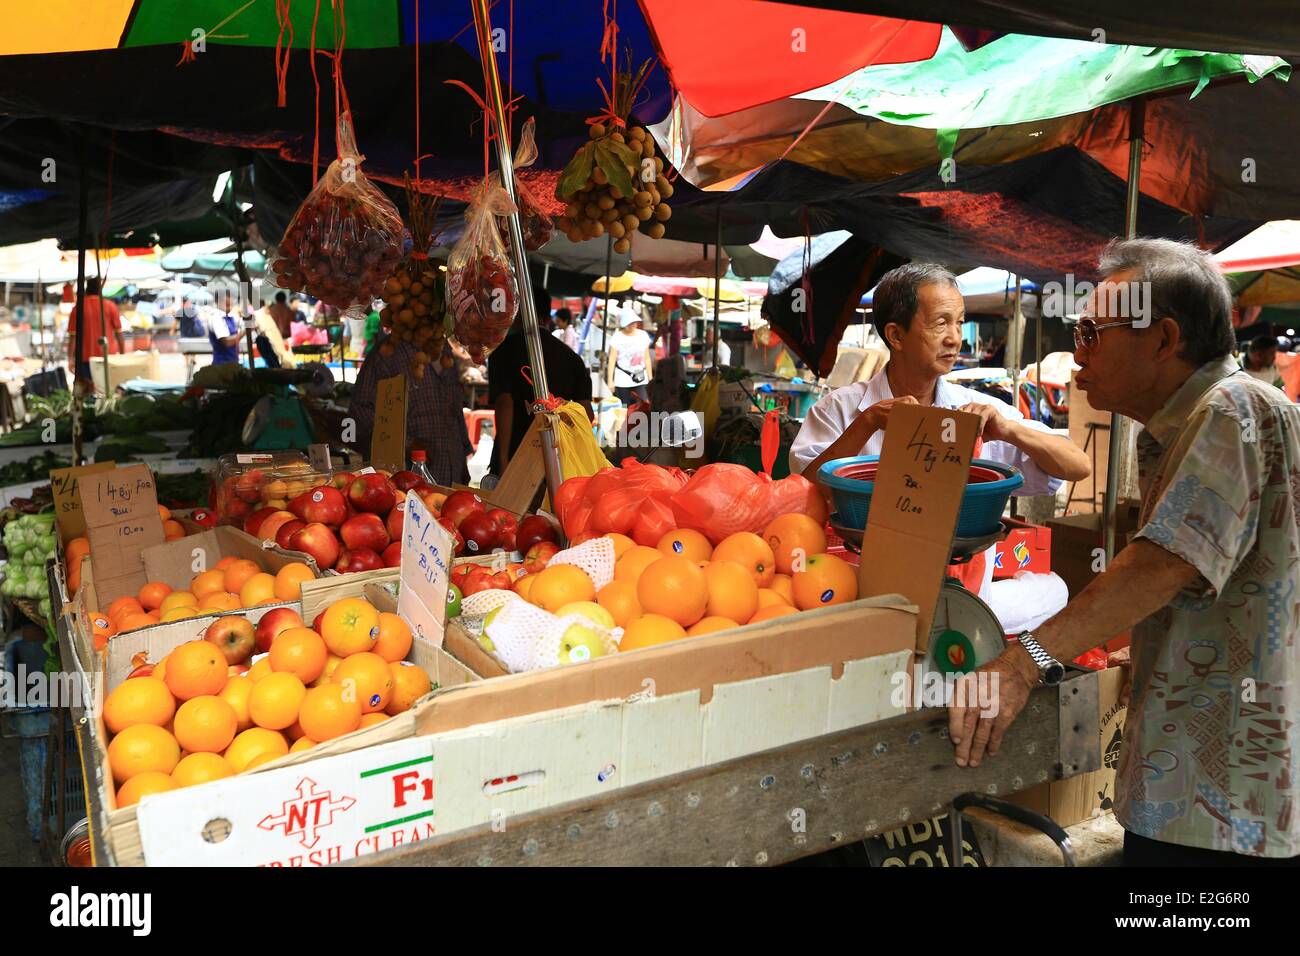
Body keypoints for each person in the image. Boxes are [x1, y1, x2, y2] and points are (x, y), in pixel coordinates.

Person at [948, 238, 1300, 866]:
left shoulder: (1235, 408)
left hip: (1225, 804)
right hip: (1182, 780)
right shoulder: (1172, 427)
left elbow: (1164, 564)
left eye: (1092, 332)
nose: (1077, 352)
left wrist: (1022, 662)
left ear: (1164, 339)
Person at [790, 262, 1089, 611]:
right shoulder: (840, 410)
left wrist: (1011, 430)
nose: (955, 337)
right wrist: (868, 422)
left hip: (960, 596)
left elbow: (1076, 466)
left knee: (1054, 590)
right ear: (896, 335)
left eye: (959, 322)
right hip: (854, 589)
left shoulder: (975, 412)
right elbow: (801, 495)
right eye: (940, 323)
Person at [488, 286, 593, 478]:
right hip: (559, 460)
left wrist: (503, 460)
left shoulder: (504, 352)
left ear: (517, 312)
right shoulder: (572, 359)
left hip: (515, 457)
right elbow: (586, 412)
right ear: (547, 316)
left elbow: (505, 404)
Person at [348, 335, 473, 486]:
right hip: (405, 479)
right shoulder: (387, 353)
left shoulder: (444, 349)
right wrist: (407, 444)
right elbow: (361, 410)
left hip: (451, 473)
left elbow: (455, 407)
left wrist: (463, 458)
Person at [66, 277, 125, 378]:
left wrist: (70, 359)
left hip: (84, 359)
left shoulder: (78, 308)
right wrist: (123, 356)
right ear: (100, 288)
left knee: (88, 391)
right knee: (106, 390)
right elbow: (119, 335)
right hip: (107, 357)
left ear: (87, 288)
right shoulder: (110, 306)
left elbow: (73, 337)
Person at [606, 306, 654, 406]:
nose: (632, 325)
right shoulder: (617, 337)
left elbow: (647, 358)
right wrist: (610, 381)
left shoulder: (643, 335)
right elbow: (612, 360)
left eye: (634, 322)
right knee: (624, 407)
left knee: (644, 405)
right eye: (629, 323)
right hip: (622, 378)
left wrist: (650, 379)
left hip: (641, 377)